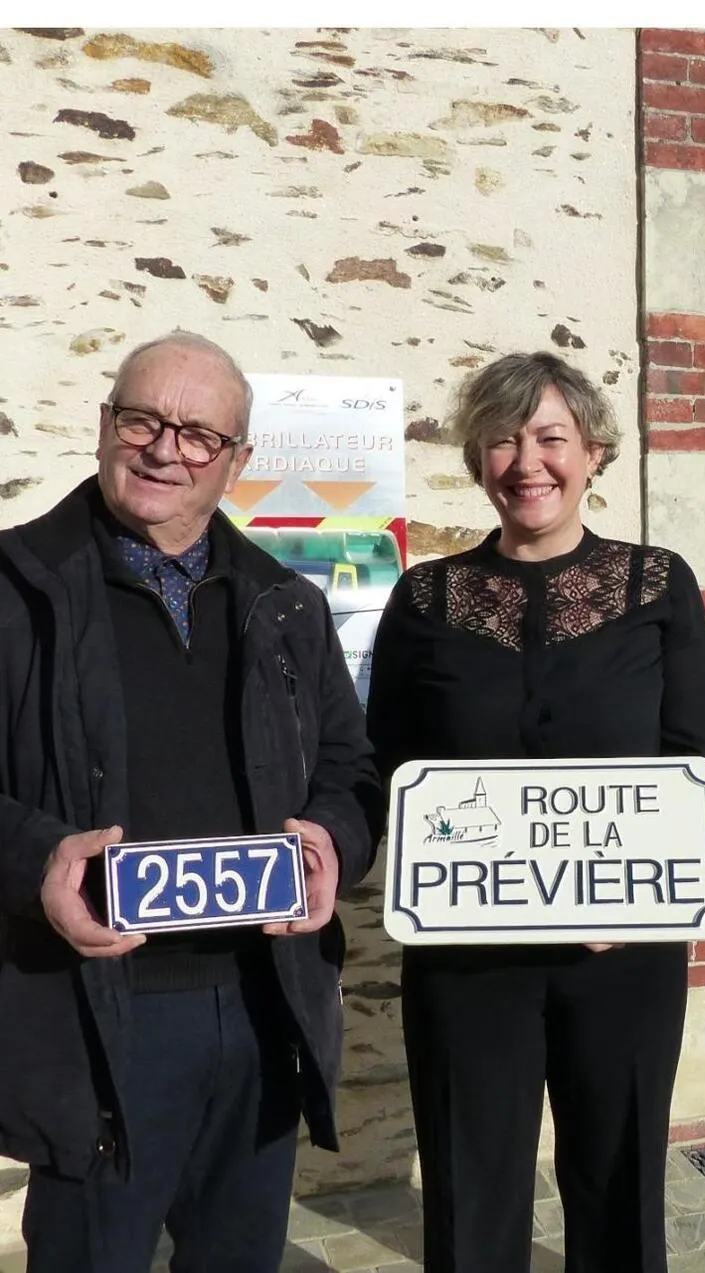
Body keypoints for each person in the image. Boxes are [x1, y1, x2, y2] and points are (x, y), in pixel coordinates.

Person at [0, 331, 383, 1273]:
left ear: (237, 460)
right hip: (95, 1018)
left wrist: (335, 841)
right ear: (105, 425)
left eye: (199, 434)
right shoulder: (14, 587)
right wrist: (36, 859)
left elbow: (351, 766)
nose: (165, 450)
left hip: (262, 1008)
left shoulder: (284, 602)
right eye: (143, 420)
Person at [365, 350, 705, 1273]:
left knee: (618, 1182)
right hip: (468, 955)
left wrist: (627, 898)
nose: (528, 462)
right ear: (476, 459)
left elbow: (693, 762)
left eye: (551, 437)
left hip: (624, 952)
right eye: (502, 439)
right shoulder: (425, 597)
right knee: (471, 1190)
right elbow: (389, 766)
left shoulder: (657, 585)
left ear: (593, 451)